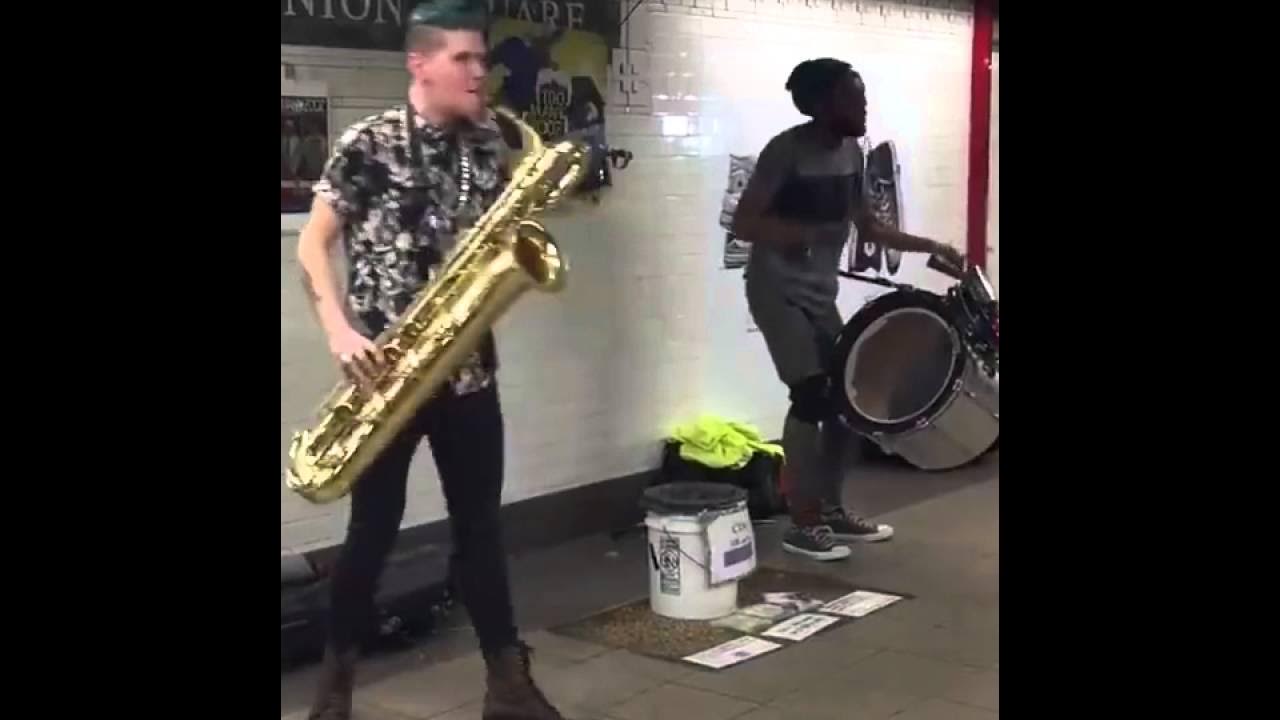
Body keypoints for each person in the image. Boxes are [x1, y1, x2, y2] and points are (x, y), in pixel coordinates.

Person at [293, 2, 566, 718]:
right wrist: (340, 331)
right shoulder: (368, 142)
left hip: (469, 369)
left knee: (480, 529)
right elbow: (311, 243)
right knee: (371, 535)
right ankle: (336, 688)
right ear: (421, 63)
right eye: (465, 60)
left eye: (483, 59)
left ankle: (508, 685)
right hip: (385, 373)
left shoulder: (485, 143)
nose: (482, 72)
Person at [732, 58, 965, 562]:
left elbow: (871, 227)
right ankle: (804, 522)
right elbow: (745, 224)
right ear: (820, 105)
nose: (863, 107)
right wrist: (801, 234)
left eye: (862, 98)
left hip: (820, 295)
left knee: (848, 402)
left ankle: (833, 510)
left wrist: (932, 245)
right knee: (811, 395)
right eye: (852, 99)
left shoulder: (852, 154)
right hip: (777, 292)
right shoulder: (786, 152)